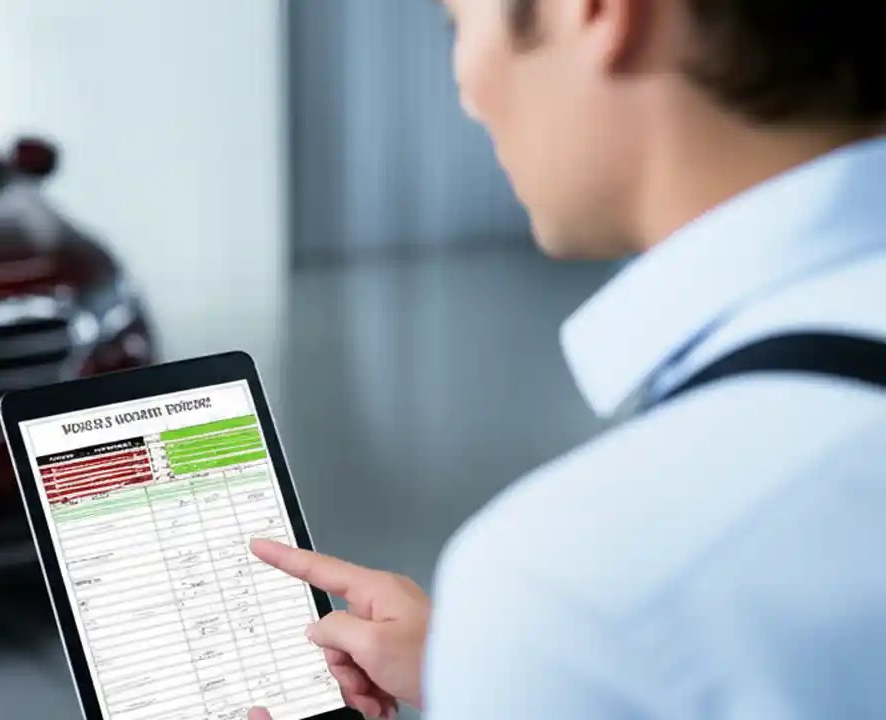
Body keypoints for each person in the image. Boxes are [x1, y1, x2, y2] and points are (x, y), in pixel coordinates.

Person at [244, 0, 886, 718]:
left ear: (599, 13)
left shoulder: (574, 587)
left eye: (459, 26)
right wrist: (489, 672)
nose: (465, 87)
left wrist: (541, 657)